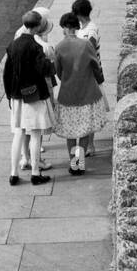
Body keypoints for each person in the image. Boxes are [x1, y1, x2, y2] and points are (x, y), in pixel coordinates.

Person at [4, 10, 54, 186]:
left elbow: (7, 73)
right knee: (35, 134)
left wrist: (9, 95)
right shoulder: (35, 47)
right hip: (33, 95)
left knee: (18, 133)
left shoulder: (13, 44)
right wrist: (51, 62)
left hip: (16, 95)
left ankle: (13, 173)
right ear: (39, 25)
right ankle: (35, 173)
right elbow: (45, 70)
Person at [53, 12, 107, 174]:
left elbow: (58, 72)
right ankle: (79, 163)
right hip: (87, 93)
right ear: (77, 27)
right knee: (84, 131)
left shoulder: (59, 47)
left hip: (68, 95)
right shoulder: (86, 45)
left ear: (64, 27)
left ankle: (73, 163)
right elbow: (96, 67)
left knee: (71, 133)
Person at [71, 0, 102, 157]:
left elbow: (88, 50)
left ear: (78, 14)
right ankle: (87, 143)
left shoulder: (91, 30)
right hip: (82, 75)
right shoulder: (81, 29)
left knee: (89, 110)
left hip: (89, 74)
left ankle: (90, 145)